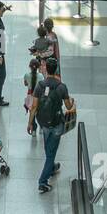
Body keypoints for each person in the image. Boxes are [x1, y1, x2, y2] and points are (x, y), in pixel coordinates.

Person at [29, 58, 73, 193]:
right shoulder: (61, 87)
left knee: (49, 147)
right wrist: (72, 101)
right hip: (56, 123)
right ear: (57, 70)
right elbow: (68, 106)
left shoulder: (40, 86)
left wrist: (30, 123)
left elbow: (34, 106)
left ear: (46, 69)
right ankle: (42, 182)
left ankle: (52, 167)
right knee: (51, 153)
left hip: (43, 122)